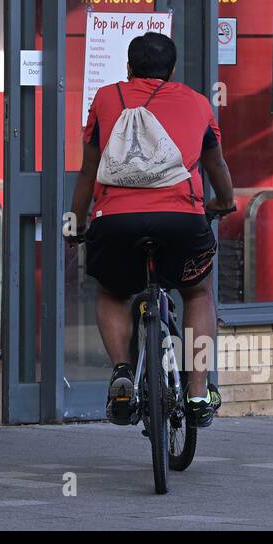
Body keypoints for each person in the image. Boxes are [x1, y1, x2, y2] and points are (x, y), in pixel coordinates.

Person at [70, 32, 235, 428]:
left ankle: (123, 371)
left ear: (128, 68)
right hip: (182, 219)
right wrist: (223, 204)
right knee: (197, 291)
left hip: (116, 221)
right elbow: (216, 167)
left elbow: (89, 169)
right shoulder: (196, 103)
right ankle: (197, 392)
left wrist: (75, 220)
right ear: (173, 70)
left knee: (113, 291)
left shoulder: (107, 99)